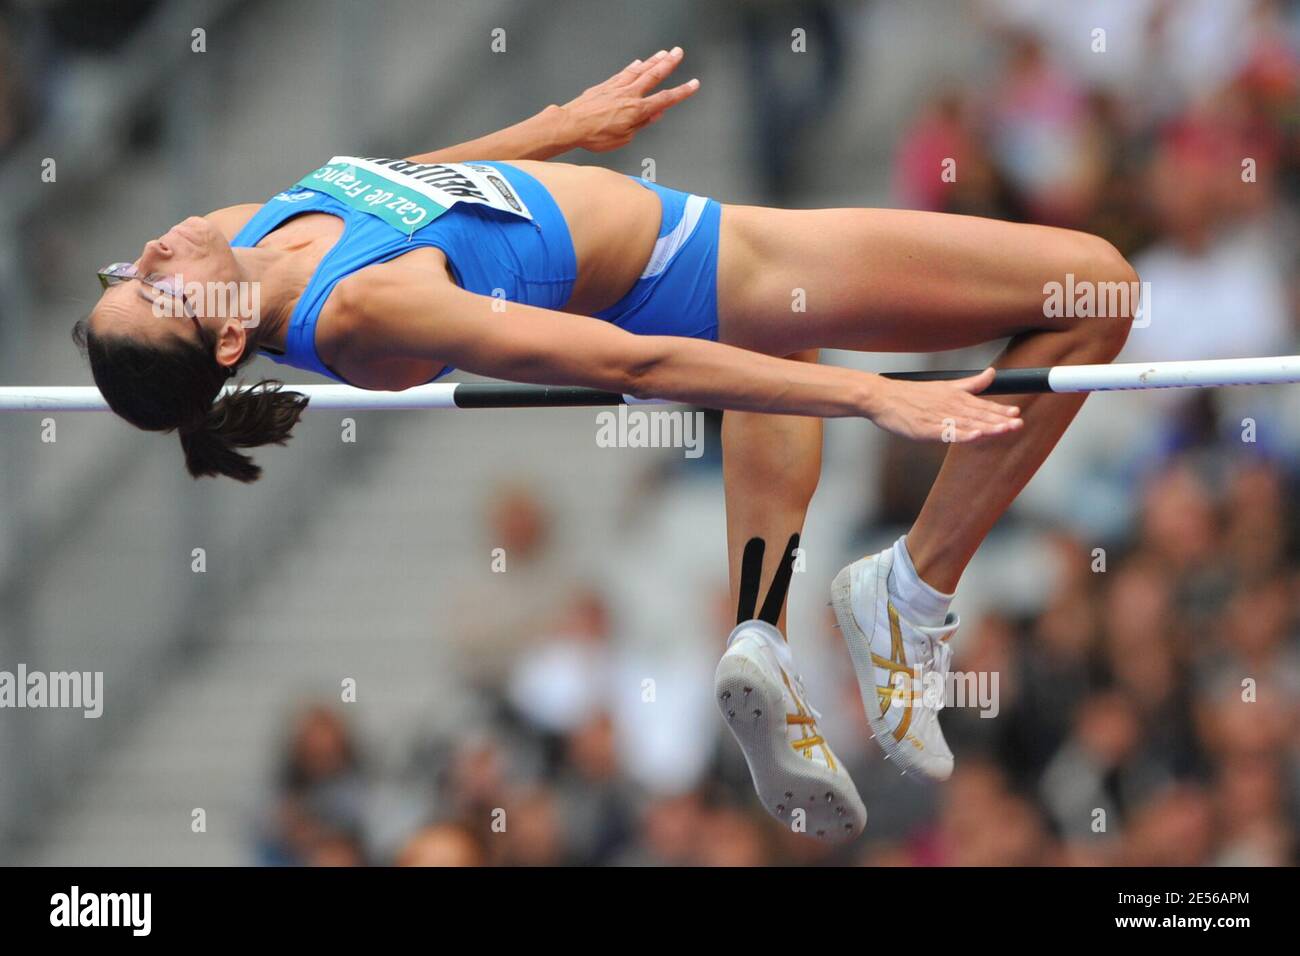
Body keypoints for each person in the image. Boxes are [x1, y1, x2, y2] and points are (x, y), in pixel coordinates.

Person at [73, 47, 1138, 842]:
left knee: (798, 339)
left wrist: (555, 126)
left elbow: (393, 181)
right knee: (1096, 287)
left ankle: (761, 629)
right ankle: (912, 590)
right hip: (710, 261)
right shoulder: (365, 313)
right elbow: (636, 364)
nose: (152, 252)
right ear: (220, 334)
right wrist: (872, 398)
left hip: (703, 254)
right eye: (158, 287)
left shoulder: (238, 231)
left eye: (126, 272)